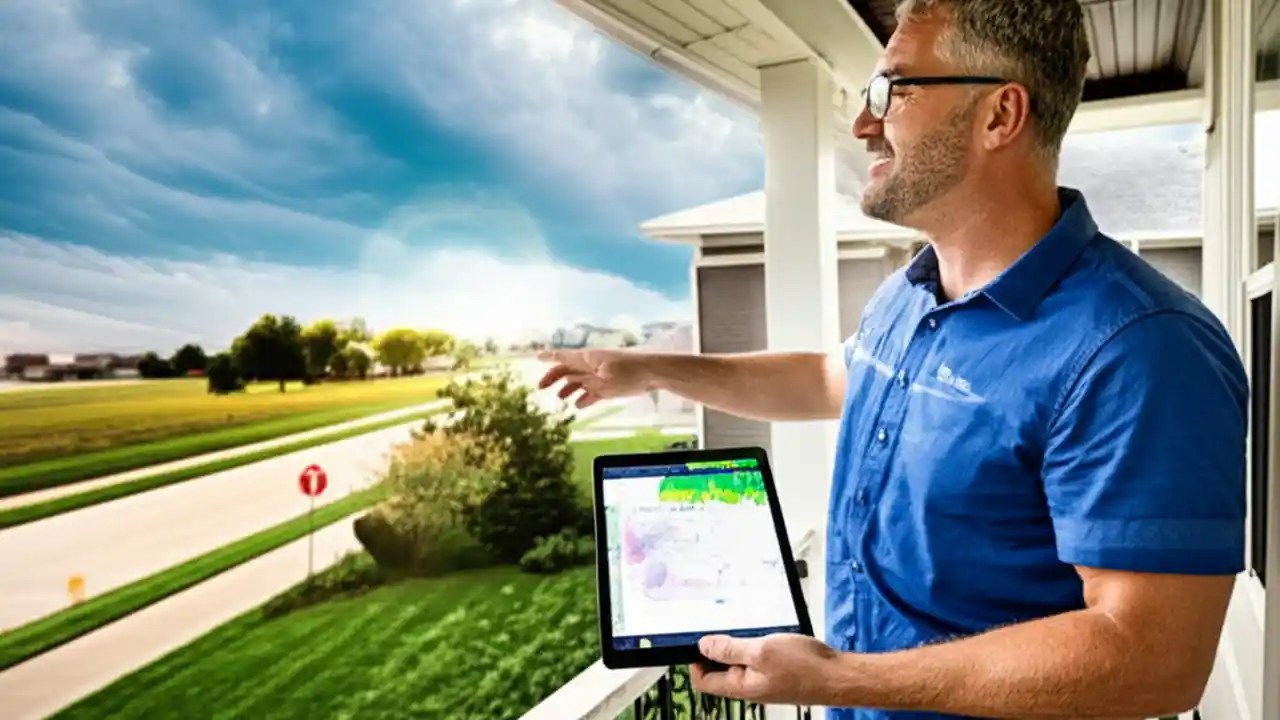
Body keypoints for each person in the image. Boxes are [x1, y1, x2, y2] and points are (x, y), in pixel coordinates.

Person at [536, 0, 1248, 717]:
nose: (862, 124)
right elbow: (826, 378)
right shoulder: (909, 295)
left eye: (893, 90)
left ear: (1000, 115)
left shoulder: (1139, 349)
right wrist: (654, 371)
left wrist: (838, 679)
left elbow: (1153, 659)